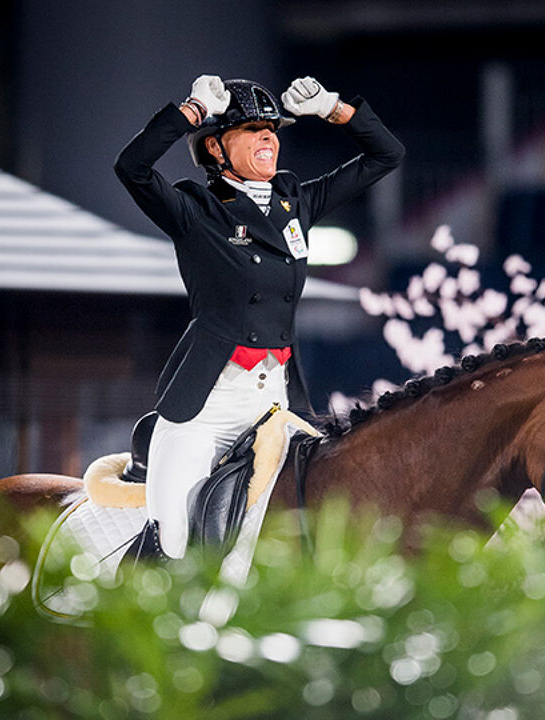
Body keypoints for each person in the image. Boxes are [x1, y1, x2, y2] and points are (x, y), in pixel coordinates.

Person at [114, 74, 404, 561]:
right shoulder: (195, 209)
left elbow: (386, 156)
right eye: (253, 129)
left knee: (329, 517)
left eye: (273, 128)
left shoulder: (295, 202)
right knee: (175, 539)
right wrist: (189, 111)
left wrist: (335, 108)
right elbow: (133, 167)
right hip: (207, 403)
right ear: (216, 147)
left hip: (276, 403)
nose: (269, 137)